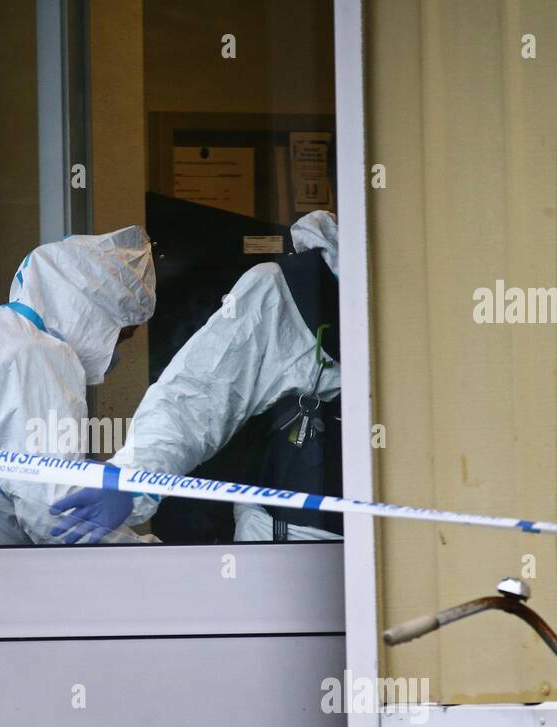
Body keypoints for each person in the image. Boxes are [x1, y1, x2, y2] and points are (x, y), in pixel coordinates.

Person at [49, 212, 341, 544]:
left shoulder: (401, 300)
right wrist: (129, 480)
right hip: (295, 541)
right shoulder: (292, 290)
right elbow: (195, 397)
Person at [0, 225, 156, 545]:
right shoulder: (36, 355)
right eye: (120, 335)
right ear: (95, 317)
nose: (116, 354)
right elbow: (53, 513)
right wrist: (150, 556)